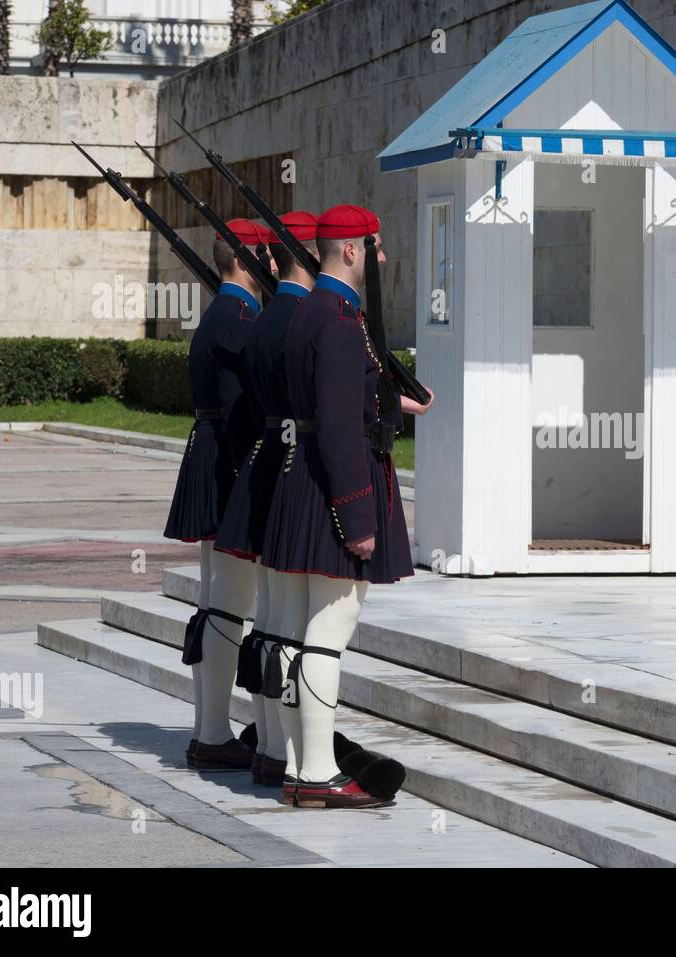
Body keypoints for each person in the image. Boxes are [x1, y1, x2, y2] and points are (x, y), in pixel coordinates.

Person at [258, 204, 422, 808]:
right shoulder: (337, 318)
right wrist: (359, 518)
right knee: (330, 631)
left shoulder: (312, 310)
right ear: (351, 251)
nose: (380, 260)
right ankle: (319, 770)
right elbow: (338, 428)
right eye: (374, 250)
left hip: (302, 481)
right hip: (331, 489)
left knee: (306, 633)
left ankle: (302, 764)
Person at [162, 218, 272, 768]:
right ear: (246, 260)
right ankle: (211, 735)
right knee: (228, 606)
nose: (274, 265)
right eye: (267, 256)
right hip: (228, 468)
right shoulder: (237, 319)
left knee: (216, 603)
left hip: (211, 461)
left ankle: (210, 729)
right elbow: (241, 416)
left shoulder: (223, 313)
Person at [214, 211, 318, 787]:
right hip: (290, 467)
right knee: (285, 622)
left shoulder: (263, 319)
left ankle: (272, 745)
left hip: (263, 464)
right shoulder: (296, 319)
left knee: (270, 619)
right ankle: (287, 751)